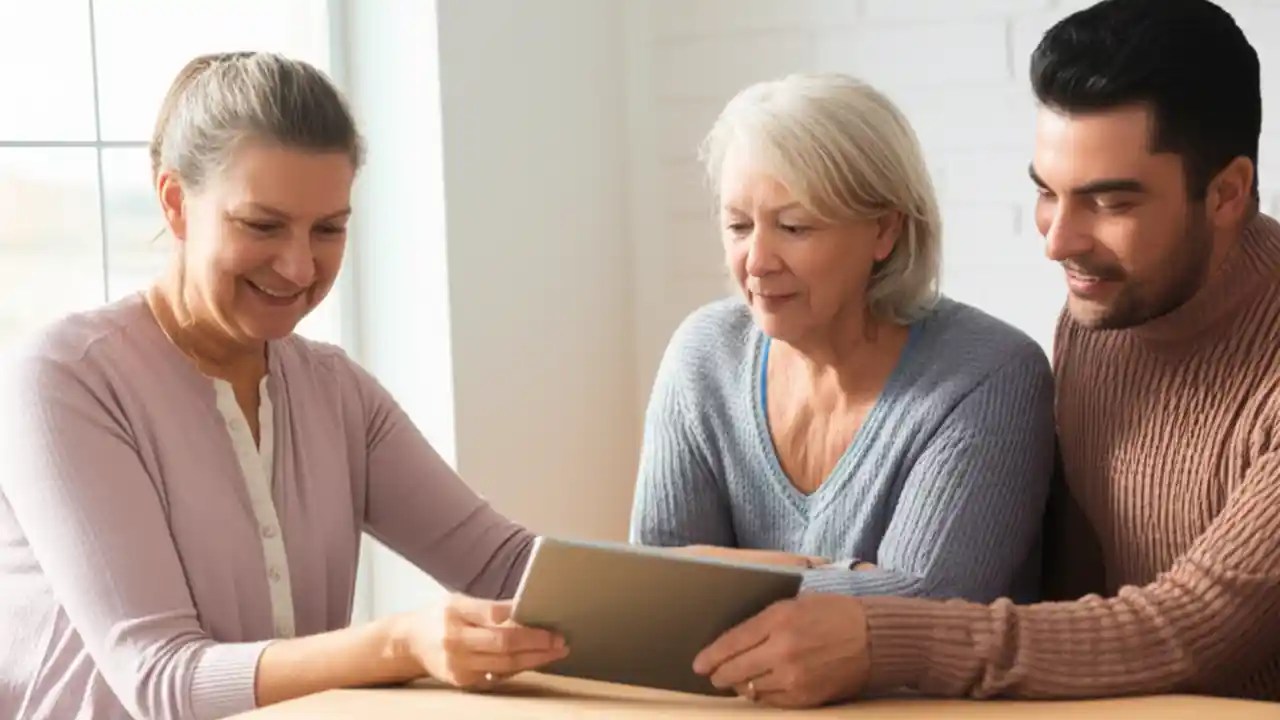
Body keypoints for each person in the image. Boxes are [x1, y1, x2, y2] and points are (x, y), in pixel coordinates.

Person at [690, 0, 1280, 708]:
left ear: (1227, 193)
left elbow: (1186, 626)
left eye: (1110, 203)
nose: (1058, 242)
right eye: (1046, 193)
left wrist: (885, 636)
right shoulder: (1104, 312)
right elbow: (1068, 579)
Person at [0, 53, 566, 720]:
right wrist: (401, 644)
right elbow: (162, 680)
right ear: (177, 204)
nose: (300, 267)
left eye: (329, 228)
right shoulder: (64, 380)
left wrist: (695, 588)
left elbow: (506, 567)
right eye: (261, 225)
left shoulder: (338, 394)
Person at [629, 73, 1056, 603]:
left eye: (794, 227)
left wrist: (725, 572)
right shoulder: (703, 356)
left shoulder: (990, 374)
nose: (757, 263)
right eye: (739, 227)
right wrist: (830, 571)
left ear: (884, 231)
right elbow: (653, 588)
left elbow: (924, 607)